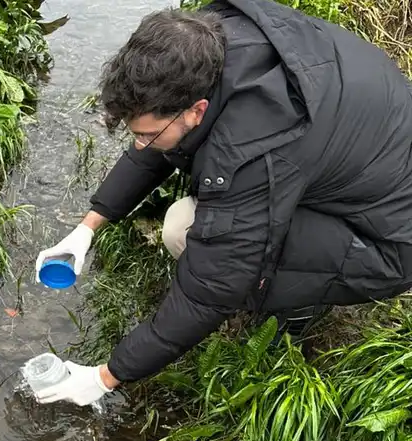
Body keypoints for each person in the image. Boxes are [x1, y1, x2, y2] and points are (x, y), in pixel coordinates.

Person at [32, 0, 412, 407]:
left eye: (145, 134)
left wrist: (107, 376)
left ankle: (299, 307)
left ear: (196, 110)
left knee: (185, 229)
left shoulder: (255, 148)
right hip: (366, 162)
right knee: (196, 204)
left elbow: (211, 288)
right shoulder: (210, 44)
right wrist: (88, 226)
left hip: (388, 242)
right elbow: (155, 144)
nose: (139, 144)